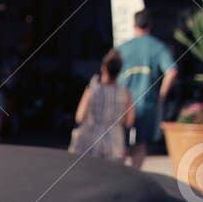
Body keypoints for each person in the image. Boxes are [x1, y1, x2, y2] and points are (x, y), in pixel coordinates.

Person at [117, 9, 177, 168]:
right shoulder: (158, 47)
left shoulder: (122, 48)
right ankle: (135, 173)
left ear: (133, 25)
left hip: (122, 103)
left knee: (120, 142)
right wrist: (162, 95)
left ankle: (120, 173)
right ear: (150, 25)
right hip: (147, 102)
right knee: (141, 143)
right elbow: (172, 72)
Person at [70, 50, 134, 162]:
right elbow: (129, 121)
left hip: (92, 137)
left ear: (103, 68)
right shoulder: (125, 92)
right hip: (115, 141)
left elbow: (80, 117)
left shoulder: (92, 89)